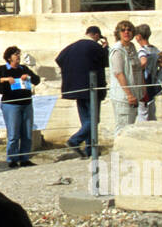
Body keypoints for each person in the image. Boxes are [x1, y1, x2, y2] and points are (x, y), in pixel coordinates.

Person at [57, 26, 108, 157]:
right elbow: (106, 61)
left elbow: (59, 59)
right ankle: (75, 140)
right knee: (94, 120)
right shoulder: (94, 47)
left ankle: (90, 150)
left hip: (75, 88)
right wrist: (105, 48)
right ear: (96, 35)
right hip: (92, 87)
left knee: (86, 120)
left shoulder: (71, 47)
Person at [0, 45, 41, 169]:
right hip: (11, 104)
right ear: (9, 57)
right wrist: (5, 79)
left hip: (26, 103)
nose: (18, 56)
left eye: (19, 54)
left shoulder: (24, 69)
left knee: (27, 133)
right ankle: (12, 158)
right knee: (13, 134)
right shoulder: (3, 69)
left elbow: (37, 80)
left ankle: (24, 158)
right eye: (15, 54)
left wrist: (29, 77)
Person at [108, 20, 140, 137]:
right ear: (118, 33)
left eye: (129, 30)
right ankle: (116, 156)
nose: (126, 32)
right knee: (122, 128)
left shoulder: (131, 47)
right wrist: (129, 94)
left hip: (133, 93)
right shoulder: (117, 50)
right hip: (123, 96)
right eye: (123, 30)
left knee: (129, 127)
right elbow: (118, 73)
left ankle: (124, 155)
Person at [134, 23, 161, 122]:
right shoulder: (155, 49)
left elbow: (143, 61)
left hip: (144, 81)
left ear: (138, 37)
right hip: (153, 81)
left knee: (143, 112)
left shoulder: (142, 50)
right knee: (151, 111)